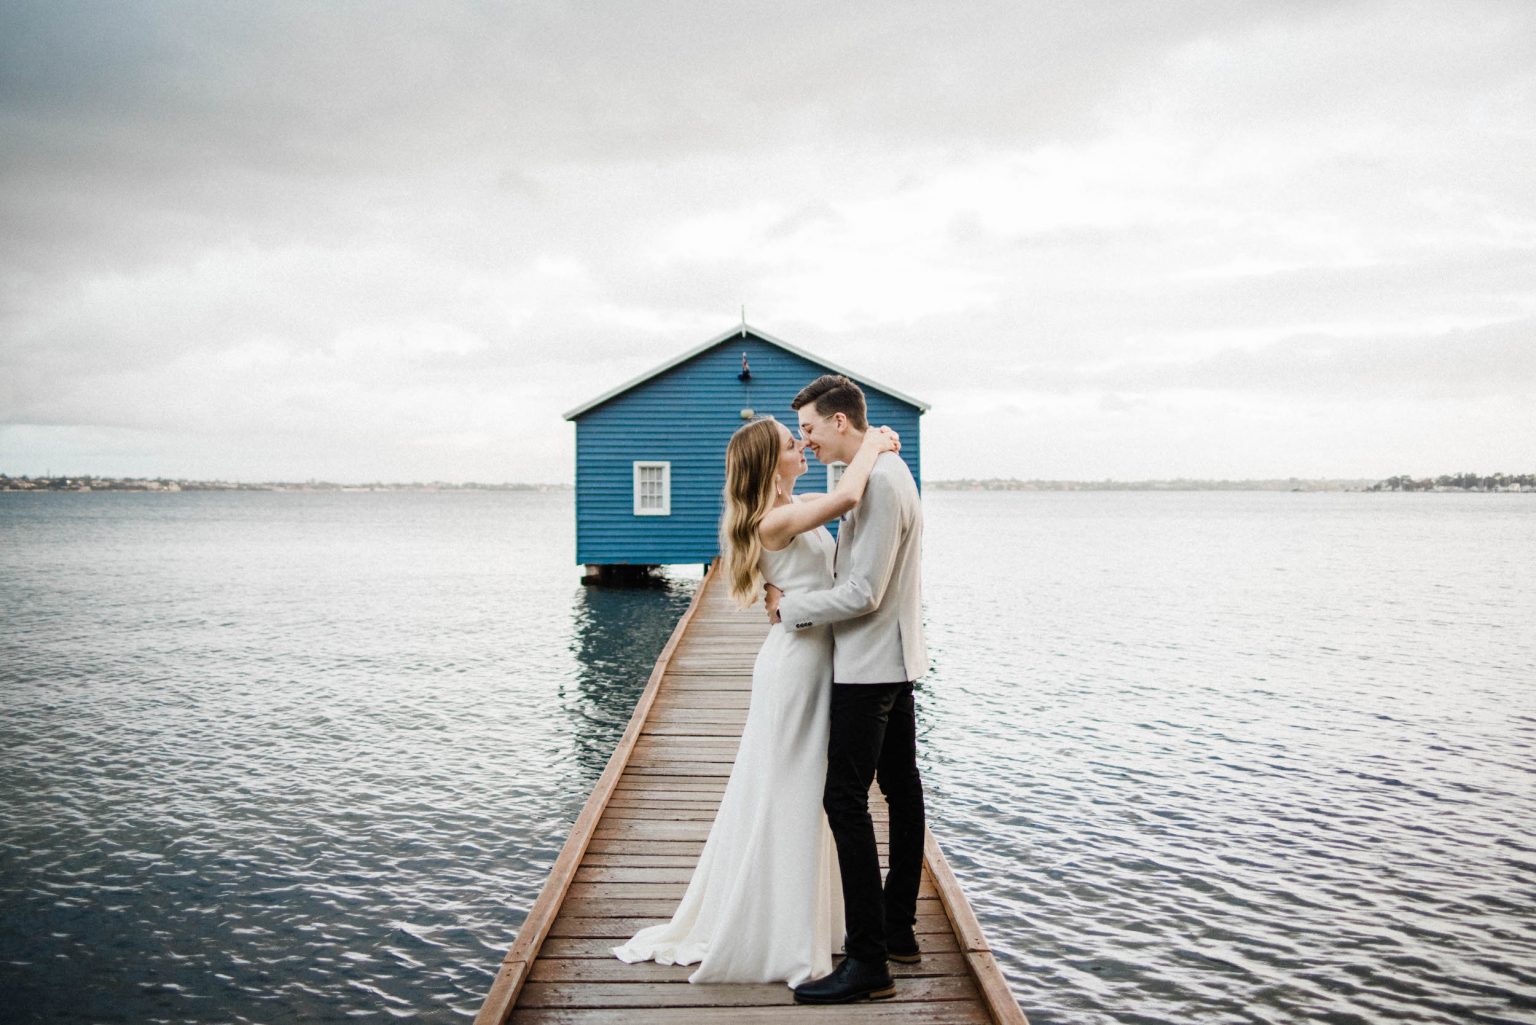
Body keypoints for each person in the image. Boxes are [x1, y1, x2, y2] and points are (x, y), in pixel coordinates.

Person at [611, 414, 901, 988]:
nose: (803, 447)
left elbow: (845, 507)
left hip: (814, 657)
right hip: (796, 666)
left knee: (805, 790)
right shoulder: (777, 520)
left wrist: (875, 451)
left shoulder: (791, 507)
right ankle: (780, 931)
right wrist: (873, 442)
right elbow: (848, 493)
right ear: (771, 467)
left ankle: (811, 920)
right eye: (793, 444)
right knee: (792, 791)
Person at [765, 374, 928, 1005]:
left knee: (845, 800)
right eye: (797, 434)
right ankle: (898, 930)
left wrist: (791, 609)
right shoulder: (877, 469)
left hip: (870, 664)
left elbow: (864, 592)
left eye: (808, 428)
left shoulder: (881, 482)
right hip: (895, 655)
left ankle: (869, 959)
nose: (805, 440)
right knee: (901, 788)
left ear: (839, 421)